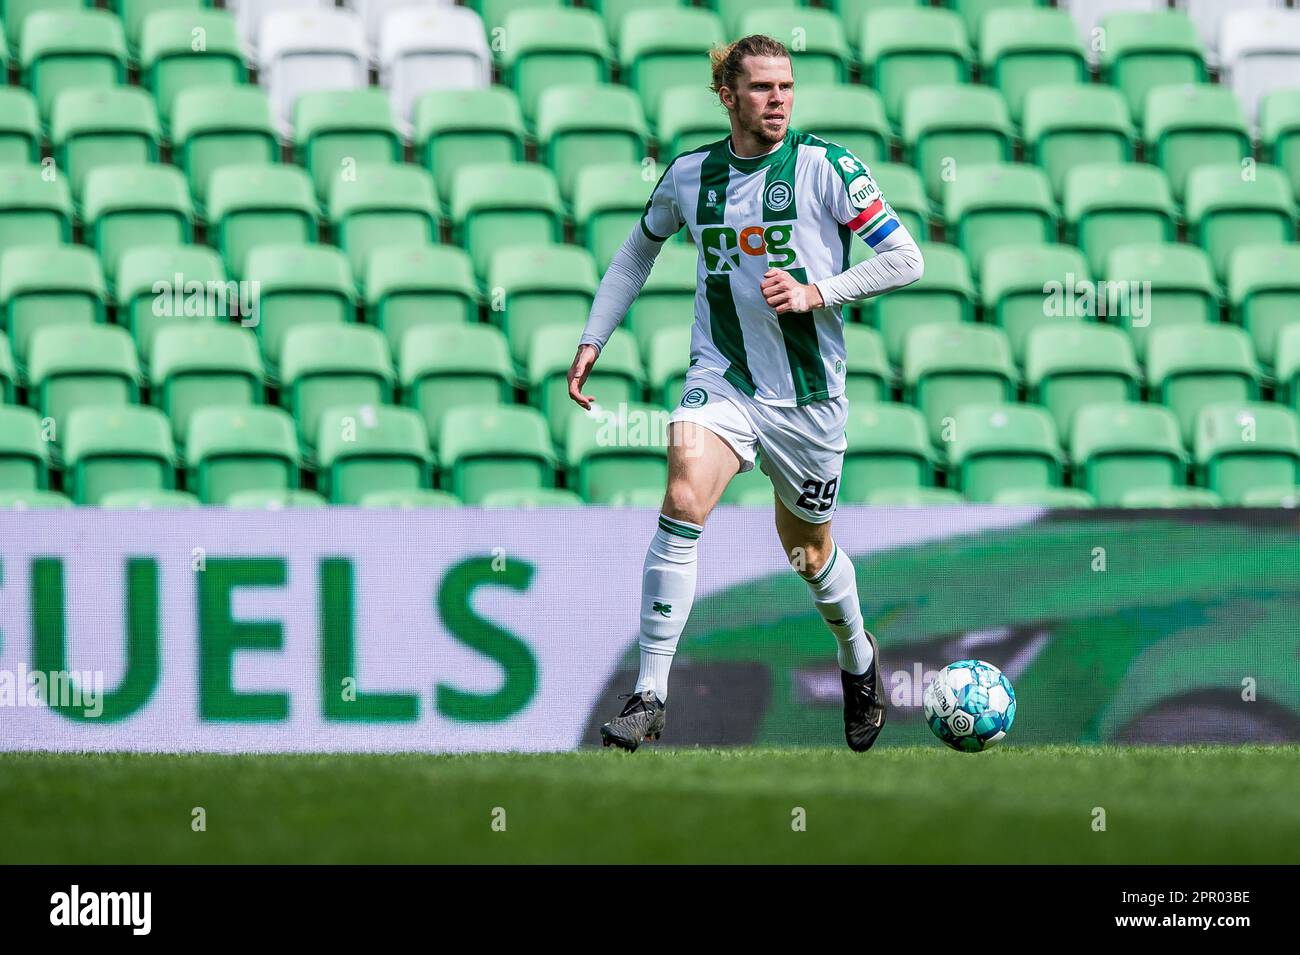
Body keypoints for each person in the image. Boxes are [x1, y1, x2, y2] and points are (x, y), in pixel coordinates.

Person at [568, 35, 924, 752]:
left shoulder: (827, 168)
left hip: (808, 399)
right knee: (682, 493)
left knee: (810, 555)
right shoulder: (690, 175)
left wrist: (816, 290)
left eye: (786, 86)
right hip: (722, 378)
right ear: (727, 96)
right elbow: (639, 249)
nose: (778, 100)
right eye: (761, 88)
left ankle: (858, 656)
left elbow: (907, 258)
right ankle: (649, 695)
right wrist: (594, 337)